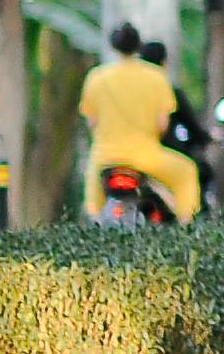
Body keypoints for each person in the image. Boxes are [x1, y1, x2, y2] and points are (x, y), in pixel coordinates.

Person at [77, 22, 200, 221]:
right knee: (187, 173)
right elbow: (162, 125)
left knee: (93, 207)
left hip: (105, 158)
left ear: (113, 45)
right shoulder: (156, 77)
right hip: (147, 157)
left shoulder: (96, 77)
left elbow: (92, 123)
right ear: (138, 45)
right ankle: (188, 229)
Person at [137, 39, 213, 209]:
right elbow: (166, 125)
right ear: (164, 62)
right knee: (188, 174)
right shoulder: (166, 88)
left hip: (114, 155)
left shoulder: (126, 89)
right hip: (153, 154)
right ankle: (188, 224)